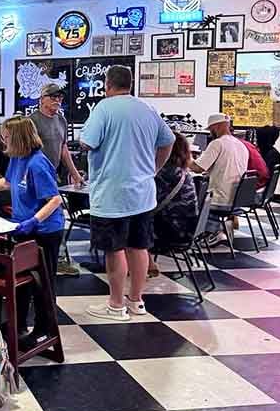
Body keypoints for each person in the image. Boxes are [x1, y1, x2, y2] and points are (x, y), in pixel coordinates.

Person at [80, 65, 175, 321]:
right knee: (139, 247)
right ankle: (136, 302)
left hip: (112, 193)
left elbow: (87, 142)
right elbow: (168, 141)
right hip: (143, 193)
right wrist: (153, 168)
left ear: (107, 84)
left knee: (115, 250)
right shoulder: (147, 109)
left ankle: (115, 305)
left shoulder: (103, 108)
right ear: (130, 84)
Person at [0, 116, 64, 350]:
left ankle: (44, 329)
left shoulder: (37, 163)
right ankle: (18, 324)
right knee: (22, 280)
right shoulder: (17, 159)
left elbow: (55, 199)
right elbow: (6, 183)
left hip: (45, 230)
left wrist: (33, 221)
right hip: (21, 227)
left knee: (41, 282)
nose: (2, 140)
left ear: (16, 138)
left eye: (6, 137)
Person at [190, 113, 248, 232]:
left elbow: (197, 168)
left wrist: (185, 157)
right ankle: (221, 227)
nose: (211, 132)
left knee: (187, 199)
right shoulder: (241, 145)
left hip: (219, 200)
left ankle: (208, 231)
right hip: (237, 200)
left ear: (216, 127)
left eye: (211, 129)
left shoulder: (217, 143)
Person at [151, 132, 198, 276]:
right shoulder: (182, 172)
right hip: (188, 230)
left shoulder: (164, 173)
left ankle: (132, 265)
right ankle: (147, 262)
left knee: (126, 223)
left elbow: (146, 202)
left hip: (171, 233)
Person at [28, 84, 83, 186]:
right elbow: (26, 152)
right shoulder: (31, 121)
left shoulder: (62, 120)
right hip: (35, 175)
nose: (57, 100)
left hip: (53, 173)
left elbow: (63, 149)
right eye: (53, 97)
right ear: (42, 99)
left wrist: (75, 174)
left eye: (60, 97)